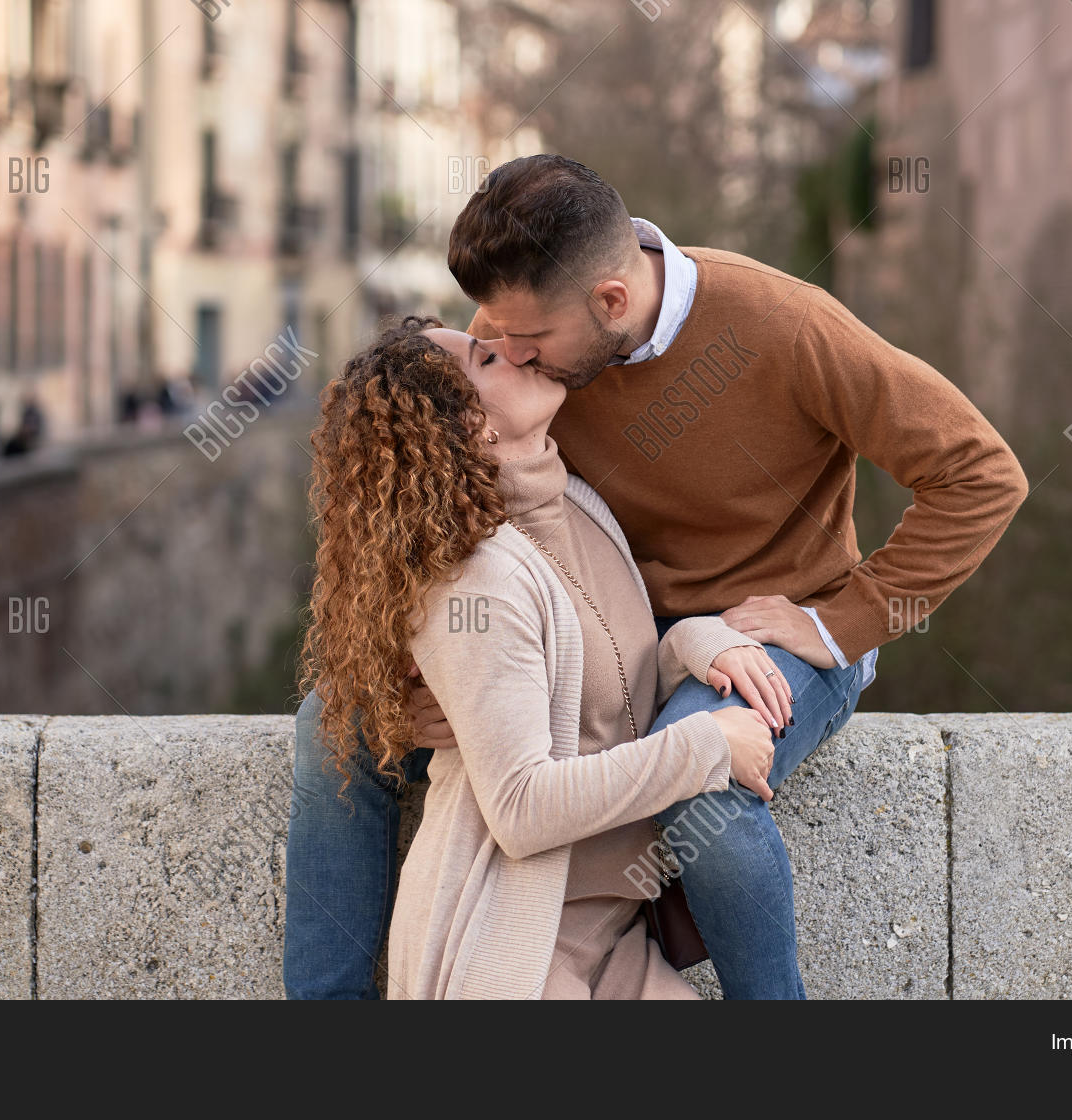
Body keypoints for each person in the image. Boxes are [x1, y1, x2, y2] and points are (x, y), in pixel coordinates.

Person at [284, 154, 1029, 1000]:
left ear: (610, 302)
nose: (506, 353)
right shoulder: (528, 324)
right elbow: (425, 480)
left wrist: (840, 620)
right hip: (601, 659)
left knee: (703, 789)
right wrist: (423, 663)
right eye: (490, 338)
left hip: (762, 638)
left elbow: (982, 475)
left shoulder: (785, 325)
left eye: (524, 342)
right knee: (337, 719)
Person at [298, 316, 781, 999]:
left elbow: (615, 691)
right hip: (508, 956)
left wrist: (695, 641)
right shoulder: (476, 579)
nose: (511, 347)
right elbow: (522, 808)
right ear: (472, 429)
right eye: (485, 360)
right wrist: (705, 747)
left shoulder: (579, 505)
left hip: (611, 943)